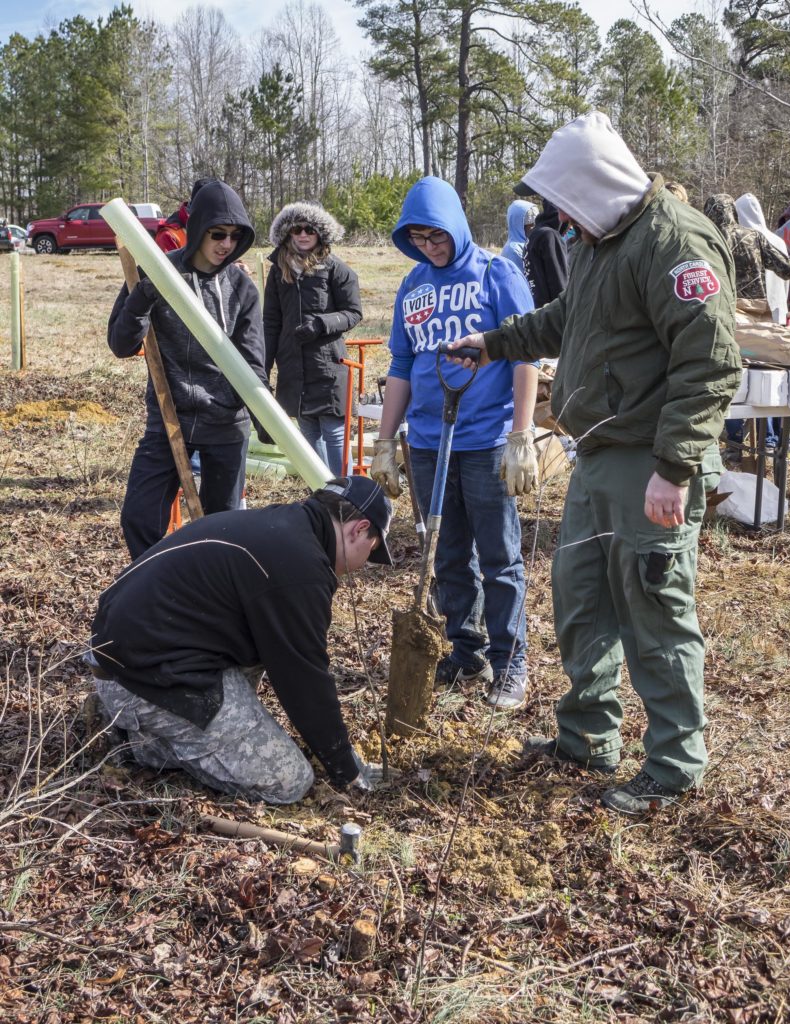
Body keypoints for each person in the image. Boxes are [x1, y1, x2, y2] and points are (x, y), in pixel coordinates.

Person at [447, 111, 740, 815]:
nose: (558, 215)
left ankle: (673, 766)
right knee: (581, 600)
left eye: (565, 198)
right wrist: (491, 342)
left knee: (655, 612)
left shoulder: (674, 240)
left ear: (596, 184)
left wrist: (674, 467)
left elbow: (709, 364)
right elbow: (561, 322)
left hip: (650, 460)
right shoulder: (601, 244)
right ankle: (587, 736)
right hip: (597, 456)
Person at [87, 476, 393, 803]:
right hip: (142, 678)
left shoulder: (284, 526)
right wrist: (345, 767)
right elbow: (304, 678)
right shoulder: (298, 568)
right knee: (290, 781)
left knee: (265, 646)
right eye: (371, 552)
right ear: (359, 529)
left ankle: (153, 722)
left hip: (125, 653)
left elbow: (285, 657)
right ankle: (144, 744)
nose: (363, 566)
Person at [370, 175, 539, 711]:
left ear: (456, 225)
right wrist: (383, 441)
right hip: (426, 441)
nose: (430, 246)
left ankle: (510, 659)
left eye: (436, 235)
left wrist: (522, 434)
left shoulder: (496, 273)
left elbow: (525, 354)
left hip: (487, 439)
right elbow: (401, 364)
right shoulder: (413, 287)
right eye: (418, 238)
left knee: (498, 554)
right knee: (446, 553)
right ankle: (467, 651)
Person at [108, 180, 268, 560]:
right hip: (169, 418)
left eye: (235, 236)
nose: (226, 244)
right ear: (198, 229)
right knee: (139, 517)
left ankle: (211, 602)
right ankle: (155, 583)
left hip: (226, 424)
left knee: (222, 529)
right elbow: (121, 344)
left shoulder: (242, 289)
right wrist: (142, 298)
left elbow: (253, 361)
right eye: (217, 234)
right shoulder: (155, 270)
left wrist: (265, 417)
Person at [263, 202, 362, 475]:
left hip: (328, 366)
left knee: (334, 434)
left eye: (310, 229)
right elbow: (270, 322)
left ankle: (346, 495)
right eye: (297, 229)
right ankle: (321, 496)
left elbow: (354, 313)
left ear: (320, 233)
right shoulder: (277, 271)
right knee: (308, 435)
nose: (303, 234)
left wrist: (321, 323)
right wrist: (264, 364)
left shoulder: (336, 269)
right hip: (293, 366)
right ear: (288, 233)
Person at [705, 193, 790, 457]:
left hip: (726, 312)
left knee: (734, 378)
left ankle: (735, 442)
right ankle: (769, 441)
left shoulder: (706, 239)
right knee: (765, 375)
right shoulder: (753, 236)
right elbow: (787, 269)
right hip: (759, 310)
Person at [518, 197, 570, 307]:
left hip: (536, 307)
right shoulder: (550, 236)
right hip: (553, 311)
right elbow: (559, 283)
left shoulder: (534, 233)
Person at [500, 199, 538, 275]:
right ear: (518, 225)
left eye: (534, 224)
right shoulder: (513, 250)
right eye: (530, 225)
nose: (533, 228)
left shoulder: (528, 244)